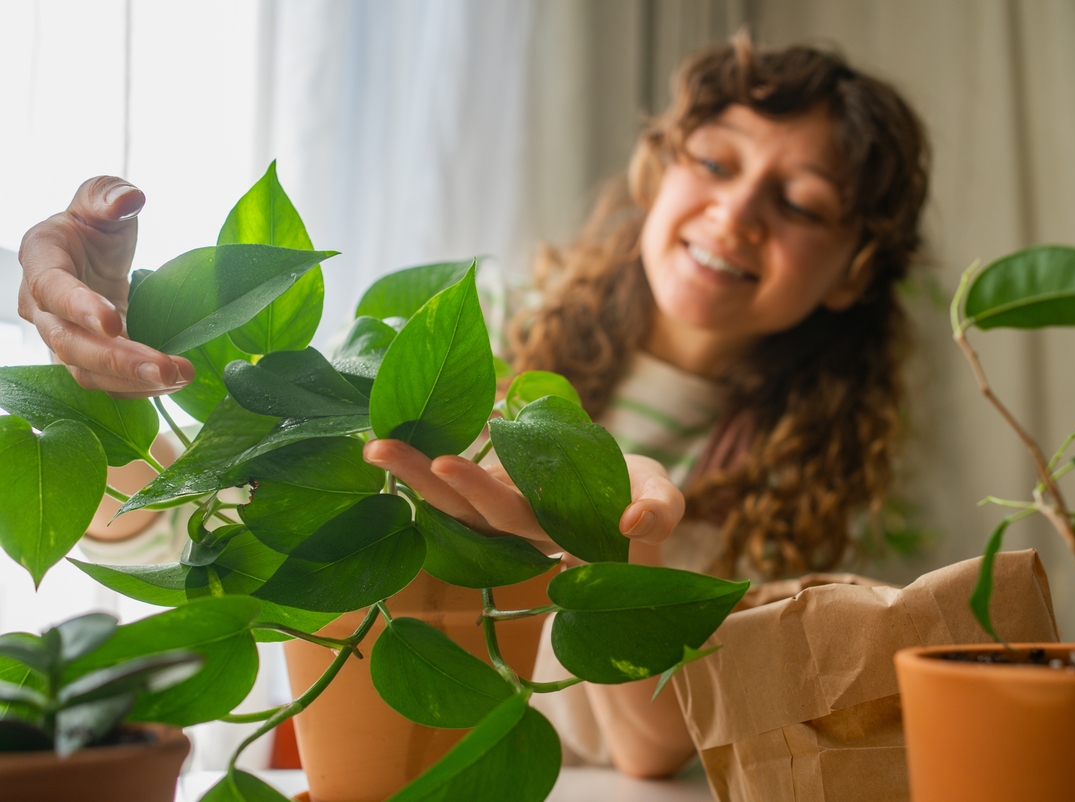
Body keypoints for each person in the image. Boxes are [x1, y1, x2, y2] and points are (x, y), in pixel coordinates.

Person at [18, 33, 928, 779]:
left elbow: (664, 741)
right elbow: (217, 533)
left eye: (802, 204)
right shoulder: (478, 334)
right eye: (715, 162)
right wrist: (125, 360)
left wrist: (610, 539)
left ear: (856, 268)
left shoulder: (818, 477)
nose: (735, 216)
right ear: (659, 167)